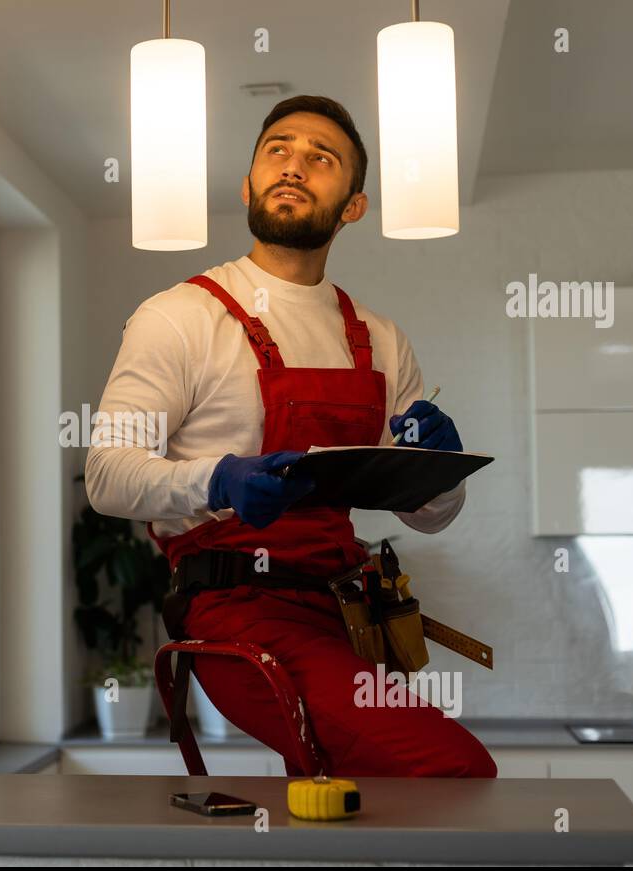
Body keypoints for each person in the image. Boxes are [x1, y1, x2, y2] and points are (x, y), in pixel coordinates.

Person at [84, 94, 496, 778]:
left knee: (346, 798)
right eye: (278, 149)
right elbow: (106, 476)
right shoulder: (178, 317)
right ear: (248, 184)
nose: (295, 165)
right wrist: (216, 480)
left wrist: (439, 469)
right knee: (451, 773)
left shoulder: (380, 340)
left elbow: (430, 518)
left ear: (353, 205)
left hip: (347, 612)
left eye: (321, 158)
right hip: (240, 614)